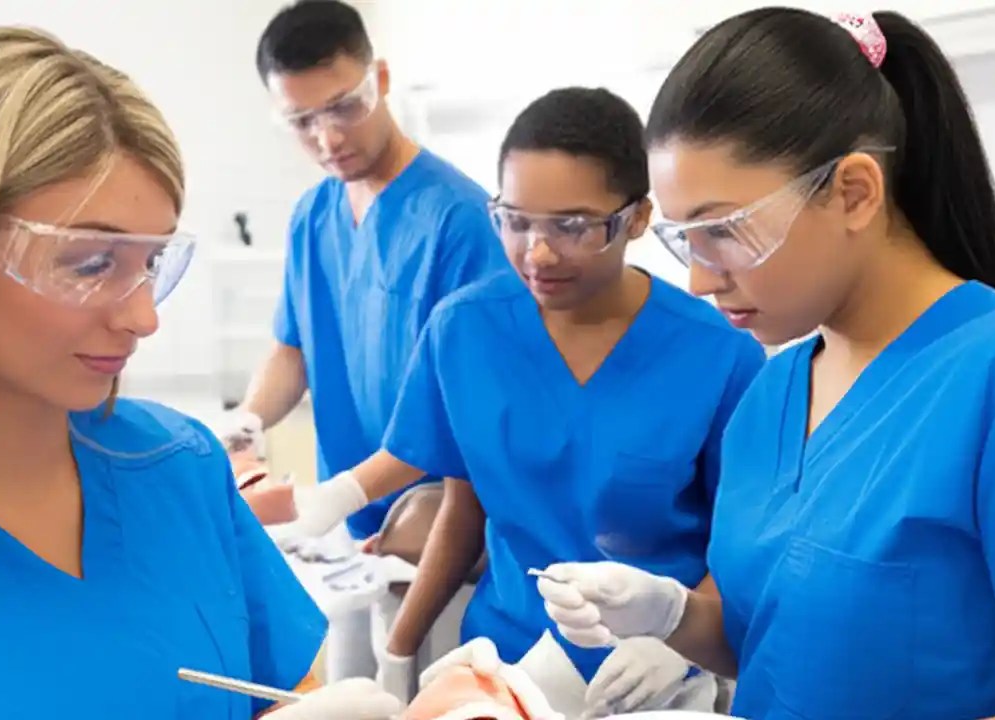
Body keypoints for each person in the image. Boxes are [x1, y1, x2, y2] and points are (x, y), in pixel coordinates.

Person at [0, 26, 402, 720]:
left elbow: (280, 691)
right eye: (89, 265)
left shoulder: (179, 469)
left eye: (150, 265)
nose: (143, 318)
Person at [534, 9, 995, 720]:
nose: (697, 280)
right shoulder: (773, 390)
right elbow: (771, 641)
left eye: (722, 231)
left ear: (853, 193)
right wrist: (671, 617)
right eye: (682, 239)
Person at [287, 87, 765, 716]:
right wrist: (400, 655)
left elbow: (745, 545)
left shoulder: (719, 354)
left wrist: (679, 641)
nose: (537, 253)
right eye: (515, 220)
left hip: (654, 680)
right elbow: (464, 508)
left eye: (571, 226)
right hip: (503, 669)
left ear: (638, 218)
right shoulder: (465, 331)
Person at [226, 0, 507, 681]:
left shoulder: (459, 220)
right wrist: (250, 420)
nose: (327, 137)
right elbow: (293, 347)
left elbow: (466, 410)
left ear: (378, 78)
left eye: (343, 106)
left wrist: (349, 493)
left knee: (421, 679)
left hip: (439, 530)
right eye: (301, 121)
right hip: (345, 528)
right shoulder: (313, 214)